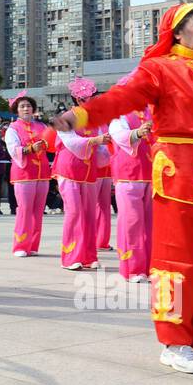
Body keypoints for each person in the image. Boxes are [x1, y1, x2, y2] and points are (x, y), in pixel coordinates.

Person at [50, 3, 193, 375]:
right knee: (177, 262)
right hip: (179, 175)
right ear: (178, 32)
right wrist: (81, 116)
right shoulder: (159, 69)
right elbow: (120, 98)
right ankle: (175, 341)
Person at [53, 77, 106, 271]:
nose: (89, 102)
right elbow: (71, 142)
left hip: (89, 170)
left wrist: (106, 150)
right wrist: (95, 142)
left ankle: (89, 256)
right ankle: (70, 257)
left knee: (90, 214)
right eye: (84, 99)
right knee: (74, 212)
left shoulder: (96, 121)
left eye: (92, 97)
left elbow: (102, 151)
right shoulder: (67, 117)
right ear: (77, 100)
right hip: (69, 170)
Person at [108, 87, 153, 283]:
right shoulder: (119, 117)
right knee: (132, 222)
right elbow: (118, 136)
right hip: (128, 175)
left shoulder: (156, 112)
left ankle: (153, 266)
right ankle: (132, 268)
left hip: (153, 174)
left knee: (153, 223)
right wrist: (137, 133)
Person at [6, 92, 54, 257]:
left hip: (42, 173)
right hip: (24, 174)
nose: (26, 108)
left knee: (38, 211)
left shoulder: (42, 127)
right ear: (17, 110)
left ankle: (33, 246)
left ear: (33, 109)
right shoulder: (13, 129)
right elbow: (13, 149)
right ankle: (20, 246)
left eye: (28, 106)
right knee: (24, 209)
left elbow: (52, 145)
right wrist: (30, 149)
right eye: (22, 106)